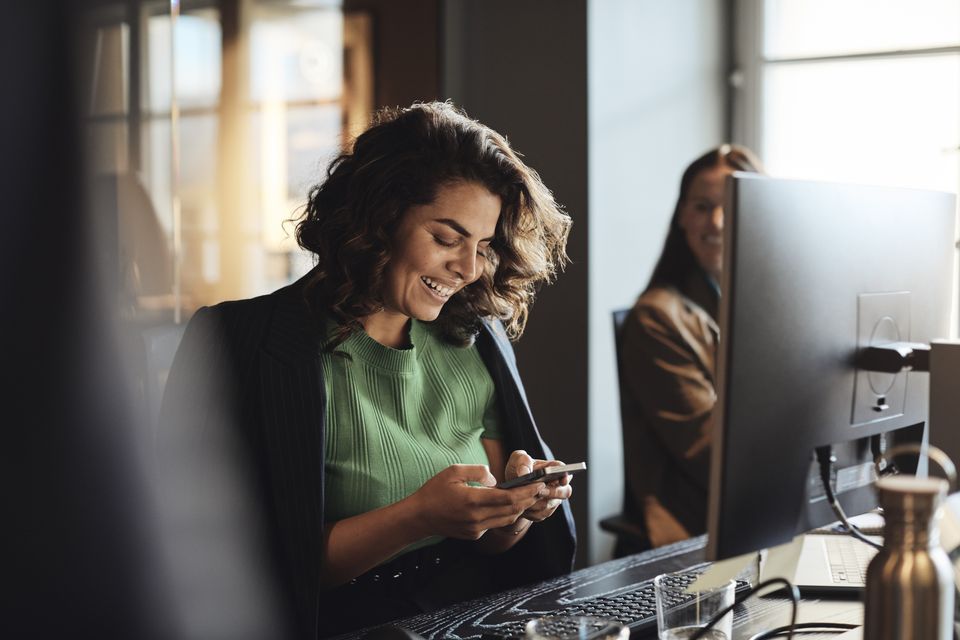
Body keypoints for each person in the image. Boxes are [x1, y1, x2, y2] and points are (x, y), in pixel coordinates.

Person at [159, 102, 577, 638]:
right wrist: (418, 516)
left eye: (483, 246)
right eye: (446, 239)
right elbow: (227, 568)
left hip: (471, 615)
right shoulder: (236, 340)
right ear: (379, 220)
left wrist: (516, 508)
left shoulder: (476, 336)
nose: (469, 269)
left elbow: (495, 543)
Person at [617, 145, 762, 555]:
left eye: (730, 206)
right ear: (682, 215)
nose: (716, 222)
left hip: (757, 514)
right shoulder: (656, 318)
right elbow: (711, 455)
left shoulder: (767, 307)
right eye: (702, 206)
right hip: (696, 533)